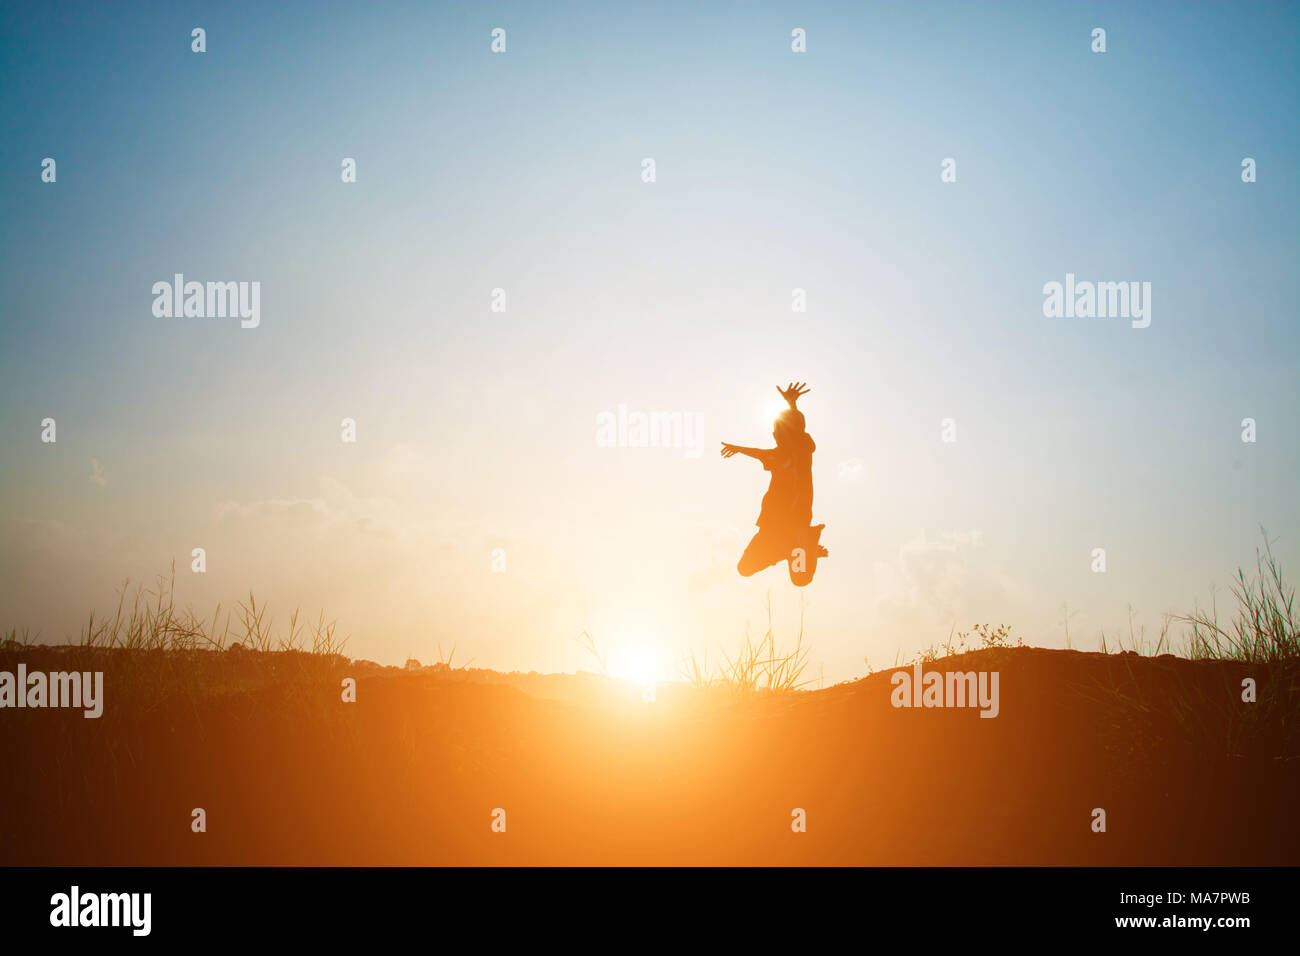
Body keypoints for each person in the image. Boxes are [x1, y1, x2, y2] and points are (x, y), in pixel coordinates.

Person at [721, 382, 825, 577]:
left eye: (781, 434)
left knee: (801, 577)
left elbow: (796, 429)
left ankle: (803, 547)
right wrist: (739, 449)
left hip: (796, 527)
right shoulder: (777, 456)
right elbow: (761, 453)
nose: (777, 438)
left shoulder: (803, 449)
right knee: (744, 569)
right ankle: (786, 553)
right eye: (777, 435)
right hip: (771, 525)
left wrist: (792, 405)